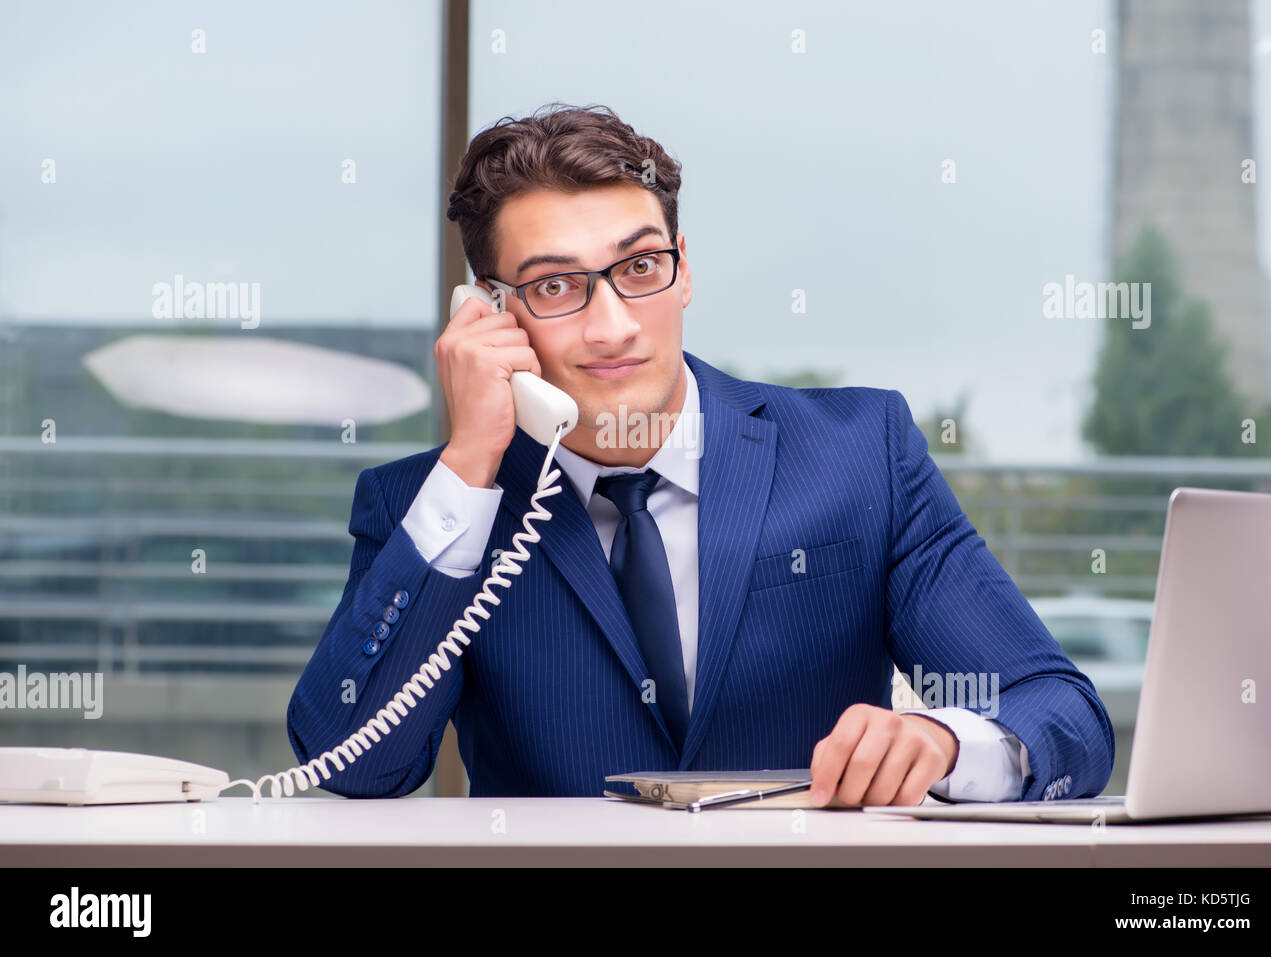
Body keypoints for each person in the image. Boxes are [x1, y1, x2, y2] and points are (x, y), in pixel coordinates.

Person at [287, 102, 1114, 806]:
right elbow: (357, 765)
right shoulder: (430, 504)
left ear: (684, 272)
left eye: (640, 266)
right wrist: (470, 462)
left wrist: (943, 739)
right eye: (554, 286)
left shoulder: (860, 456)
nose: (612, 326)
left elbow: (1061, 713)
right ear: (491, 316)